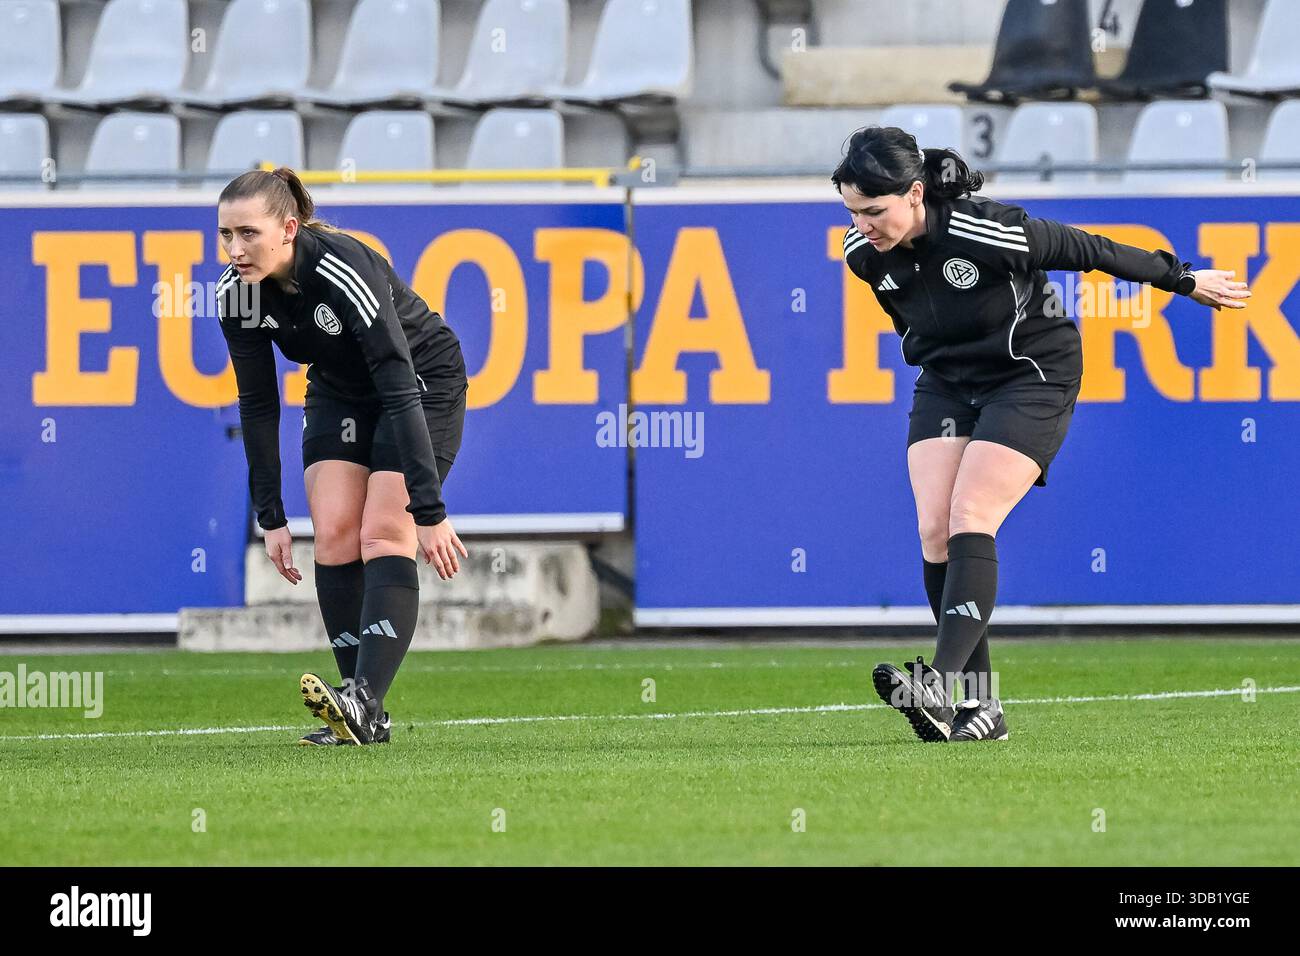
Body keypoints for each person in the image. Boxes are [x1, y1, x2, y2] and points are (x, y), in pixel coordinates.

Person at [833, 127, 1250, 742]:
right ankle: (981, 710)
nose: (863, 222)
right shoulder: (861, 252)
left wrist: (1181, 279)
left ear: (915, 193)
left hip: (1031, 374)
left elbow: (1087, 249)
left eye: (874, 209)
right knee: (934, 528)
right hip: (947, 381)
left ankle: (942, 689)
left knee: (971, 512)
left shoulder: (984, 228)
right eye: (852, 211)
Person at [215, 167, 469, 745]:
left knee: (382, 531)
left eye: (248, 233)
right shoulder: (236, 296)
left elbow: (399, 384)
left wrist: (427, 511)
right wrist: (271, 516)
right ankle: (361, 709)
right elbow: (257, 404)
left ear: (288, 227)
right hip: (338, 387)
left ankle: (364, 700)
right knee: (331, 532)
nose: (235, 250)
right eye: (225, 234)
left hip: (420, 380)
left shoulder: (344, 267)